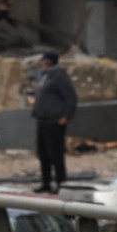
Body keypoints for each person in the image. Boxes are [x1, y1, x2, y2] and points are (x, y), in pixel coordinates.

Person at [31, 51, 77, 194]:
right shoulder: (45, 76)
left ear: (49, 62)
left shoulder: (59, 77)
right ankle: (46, 182)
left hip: (55, 120)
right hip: (43, 119)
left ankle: (60, 182)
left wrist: (66, 116)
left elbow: (71, 98)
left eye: (44, 61)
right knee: (43, 153)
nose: (42, 64)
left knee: (55, 153)